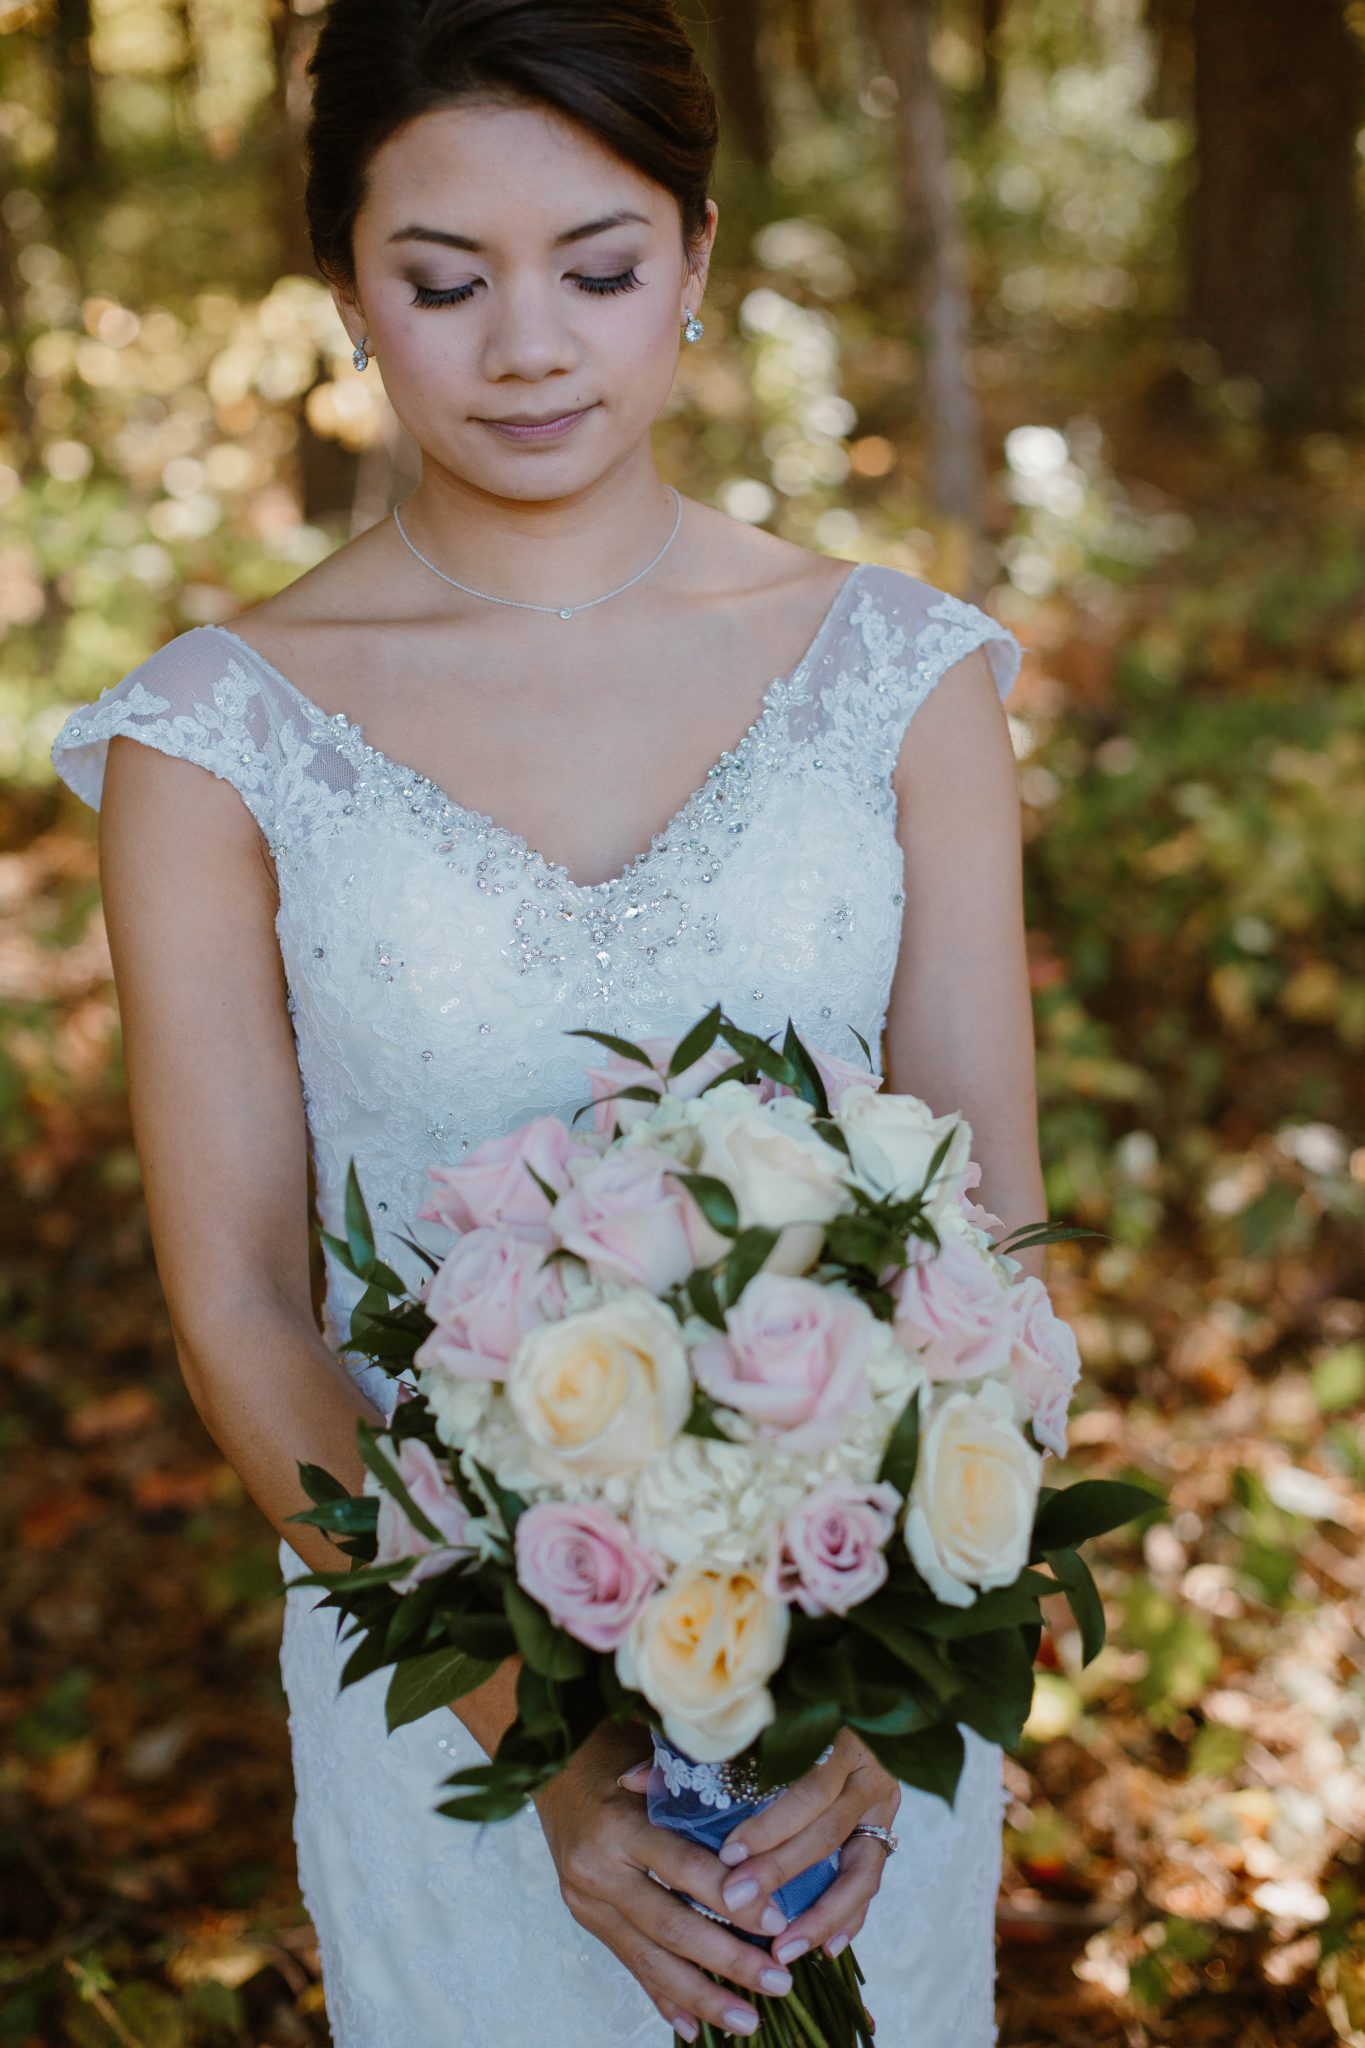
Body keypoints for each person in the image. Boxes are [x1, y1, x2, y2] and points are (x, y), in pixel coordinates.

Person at [49, 2, 1041, 2041]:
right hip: (446, 1691)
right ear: (343, 292)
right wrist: (553, 1758)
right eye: (441, 280)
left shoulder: (898, 674)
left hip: (858, 1678)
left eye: (595, 270)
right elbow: (239, 1304)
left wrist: (905, 1676)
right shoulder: (214, 736)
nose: (527, 345)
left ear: (690, 260)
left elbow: (994, 1236)